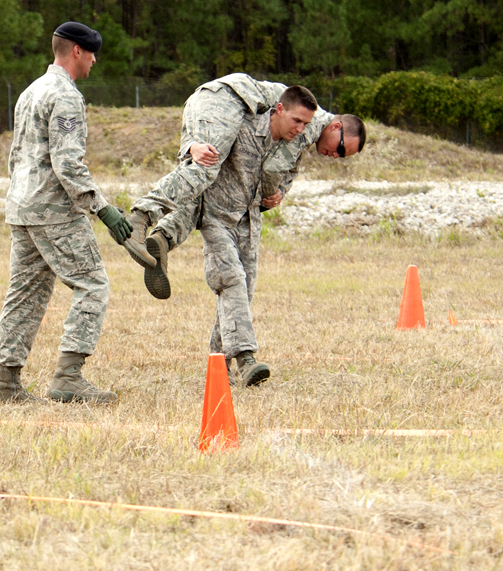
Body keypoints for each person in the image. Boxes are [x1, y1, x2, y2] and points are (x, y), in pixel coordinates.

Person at [133, 96, 363, 387]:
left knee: (242, 291)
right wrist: (191, 145)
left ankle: (219, 364)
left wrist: (278, 193)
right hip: (218, 215)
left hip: (248, 218)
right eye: (341, 148)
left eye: (343, 157)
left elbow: (284, 174)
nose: (336, 156)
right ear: (279, 110)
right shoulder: (250, 120)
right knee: (231, 280)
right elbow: (209, 137)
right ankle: (245, 357)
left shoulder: (299, 138)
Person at [0, 21, 135, 405]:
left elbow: (17, 156)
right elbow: (67, 163)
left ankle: (7, 384)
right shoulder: (66, 97)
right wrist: (103, 209)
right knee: (93, 283)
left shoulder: (32, 90)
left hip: (22, 207)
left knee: (24, 295)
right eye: (92, 54)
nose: (94, 62)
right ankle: (68, 377)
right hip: (53, 211)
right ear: (76, 51)